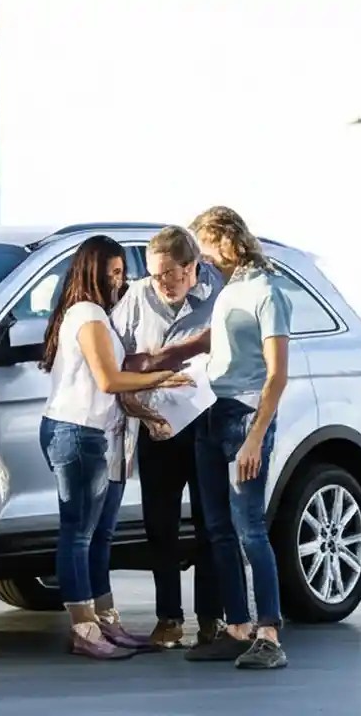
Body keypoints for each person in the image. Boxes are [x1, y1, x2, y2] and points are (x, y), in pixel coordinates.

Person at [38, 234, 194, 660]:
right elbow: (109, 380)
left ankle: (106, 621)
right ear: (90, 272)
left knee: (100, 535)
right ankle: (84, 630)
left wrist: (149, 415)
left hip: (106, 435)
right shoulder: (86, 314)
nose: (119, 282)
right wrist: (163, 378)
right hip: (78, 433)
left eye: (122, 273)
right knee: (79, 534)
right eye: (112, 273)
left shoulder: (103, 315)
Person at [182, 206, 292, 670]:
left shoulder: (267, 292)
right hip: (212, 414)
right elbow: (215, 343)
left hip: (246, 418)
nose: (200, 257)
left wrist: (255, 438)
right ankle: (237, 628)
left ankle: (269, 634)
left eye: (203, 246)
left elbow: (277, 376)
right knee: (218, 530)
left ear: (225, 239)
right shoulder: (229, 288)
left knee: (250, 528)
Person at [109, 225, 226, 651]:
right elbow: (120, 356)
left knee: (212, 524)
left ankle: (212, 618)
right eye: (155, 275)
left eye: (170, 275)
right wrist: (158, 361)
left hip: (206, 422)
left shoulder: (221, 293)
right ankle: (169, 619)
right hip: (156, 423)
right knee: (160, 525)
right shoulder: (138, 296)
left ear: (192, 267)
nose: (162, 284)